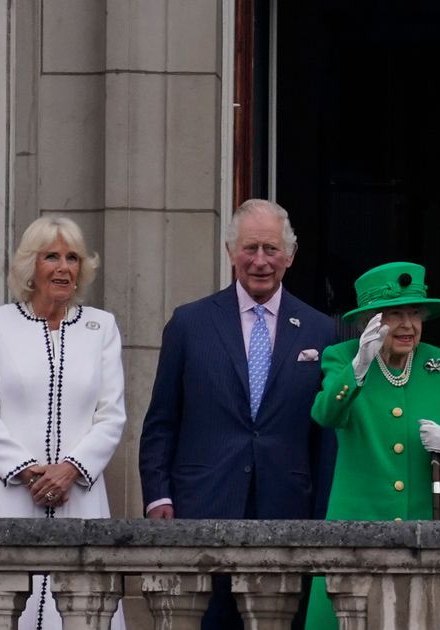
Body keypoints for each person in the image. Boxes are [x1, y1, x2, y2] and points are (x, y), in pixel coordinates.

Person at [138, 199, 336, 630]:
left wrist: (324, 516)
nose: (260, 261)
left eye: (271, 249)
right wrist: (158, 496)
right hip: (201, 510)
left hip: (288, 514)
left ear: (290, 255)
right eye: (250, 249)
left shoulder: (323, 330)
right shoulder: (189, 323)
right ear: (230, 252)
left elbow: (326, 437)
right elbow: (161, 421)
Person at [0, 216, 126, 630]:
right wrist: (28, 472)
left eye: (73, 258)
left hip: (77, 494)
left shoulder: (101, 328)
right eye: (52, 257)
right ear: (32, 266)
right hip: (4, 494)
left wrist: (69, 471)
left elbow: (111, 413)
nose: (64, 268)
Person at [304, 261, 440, 629]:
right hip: (356, 537)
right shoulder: (342, 358)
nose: (407, 325)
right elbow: (325, 415)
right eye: (394, 315)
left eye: (415, 313)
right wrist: (358, 367)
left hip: (425, 544)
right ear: (369, 320)